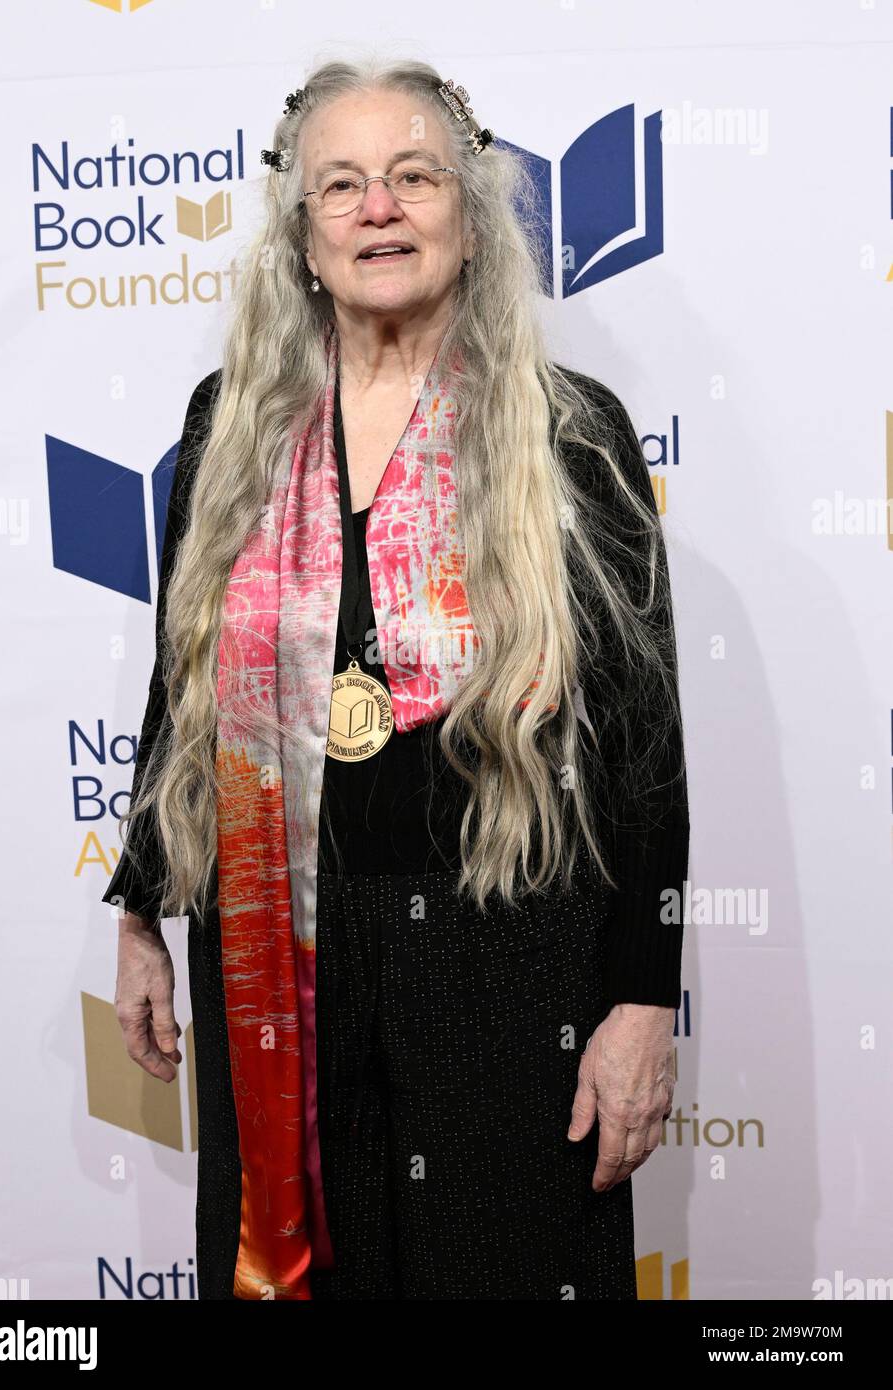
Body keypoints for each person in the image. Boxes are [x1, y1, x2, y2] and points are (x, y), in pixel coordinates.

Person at [102, 58, 690, 1301]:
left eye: (414, 176)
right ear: (302, 238)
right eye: (343, 186)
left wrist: (641, 1003)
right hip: (277, 947)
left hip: (504, 950)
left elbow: (644, 744)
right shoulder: (228, 424)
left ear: (466, 219)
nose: (380, 208)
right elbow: (184, 687)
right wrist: (141, 912)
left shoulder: (567, 431)